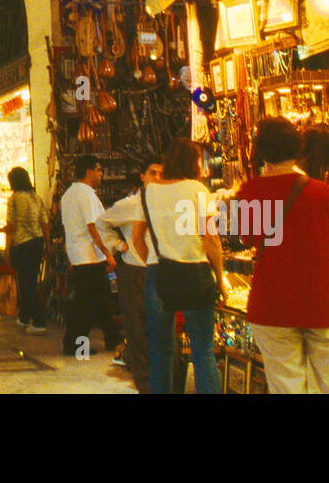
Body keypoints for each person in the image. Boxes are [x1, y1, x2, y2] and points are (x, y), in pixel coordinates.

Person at [235, 117, 329, 393]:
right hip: (323, 302)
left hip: (271, 303)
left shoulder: (249, 192)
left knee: (286, 386)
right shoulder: (320, 192)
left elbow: (248, 239)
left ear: (262, 152)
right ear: (297, 149)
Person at [131, 141, 222, 395]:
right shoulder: (196, 189)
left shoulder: (147, 192)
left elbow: (138, 238)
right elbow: (211, 238)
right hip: (195, 272)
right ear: (193, 163)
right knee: (203, 349)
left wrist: (157, 259)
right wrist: (221, 278)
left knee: (161, 349)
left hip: (159, 273)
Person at [96, 161, 160, 393]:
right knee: (138, 330)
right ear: (142, 176)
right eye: (153, 173)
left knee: (162, 332)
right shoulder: (129, 205)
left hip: (161, 271)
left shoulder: (168, 204)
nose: (157, 178)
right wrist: (117, 245)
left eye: (162, 174)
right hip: (136, 272)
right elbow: (102, 223)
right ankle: (145, 385)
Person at [59, 156, 121, 357]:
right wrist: (107, 253)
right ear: (88, 172)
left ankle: (112, 336)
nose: (101, 174)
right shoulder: (85, 194)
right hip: (89, 256)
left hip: (81, 255)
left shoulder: (69, 194)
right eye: (99, 170)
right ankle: (74, 344)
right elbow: (93, 226)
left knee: (101, 298)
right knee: (86, 304)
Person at [4, 166, 49, 335]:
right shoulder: (36, 197)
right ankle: (24, 316)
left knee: (26, 284)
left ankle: (39, 321)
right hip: (37, 242)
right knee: (32, 280)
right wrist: (48, 244)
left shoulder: (14, 199)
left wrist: (7, 250)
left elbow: (11, 226)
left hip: (21, 244)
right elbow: (45, 222)